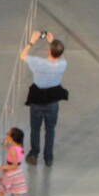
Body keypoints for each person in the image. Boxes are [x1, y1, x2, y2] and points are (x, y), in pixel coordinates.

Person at [20, 30, 68, 166]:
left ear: (49, 51)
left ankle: (34, 154)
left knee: (35, 128)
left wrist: (32, 41)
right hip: (52, 101)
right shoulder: (63, 65)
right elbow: (58, 55)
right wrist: (52, 42)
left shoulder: (38, 63)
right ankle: (49, 157)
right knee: (50, 129)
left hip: (37, 100)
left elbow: (23, 55)